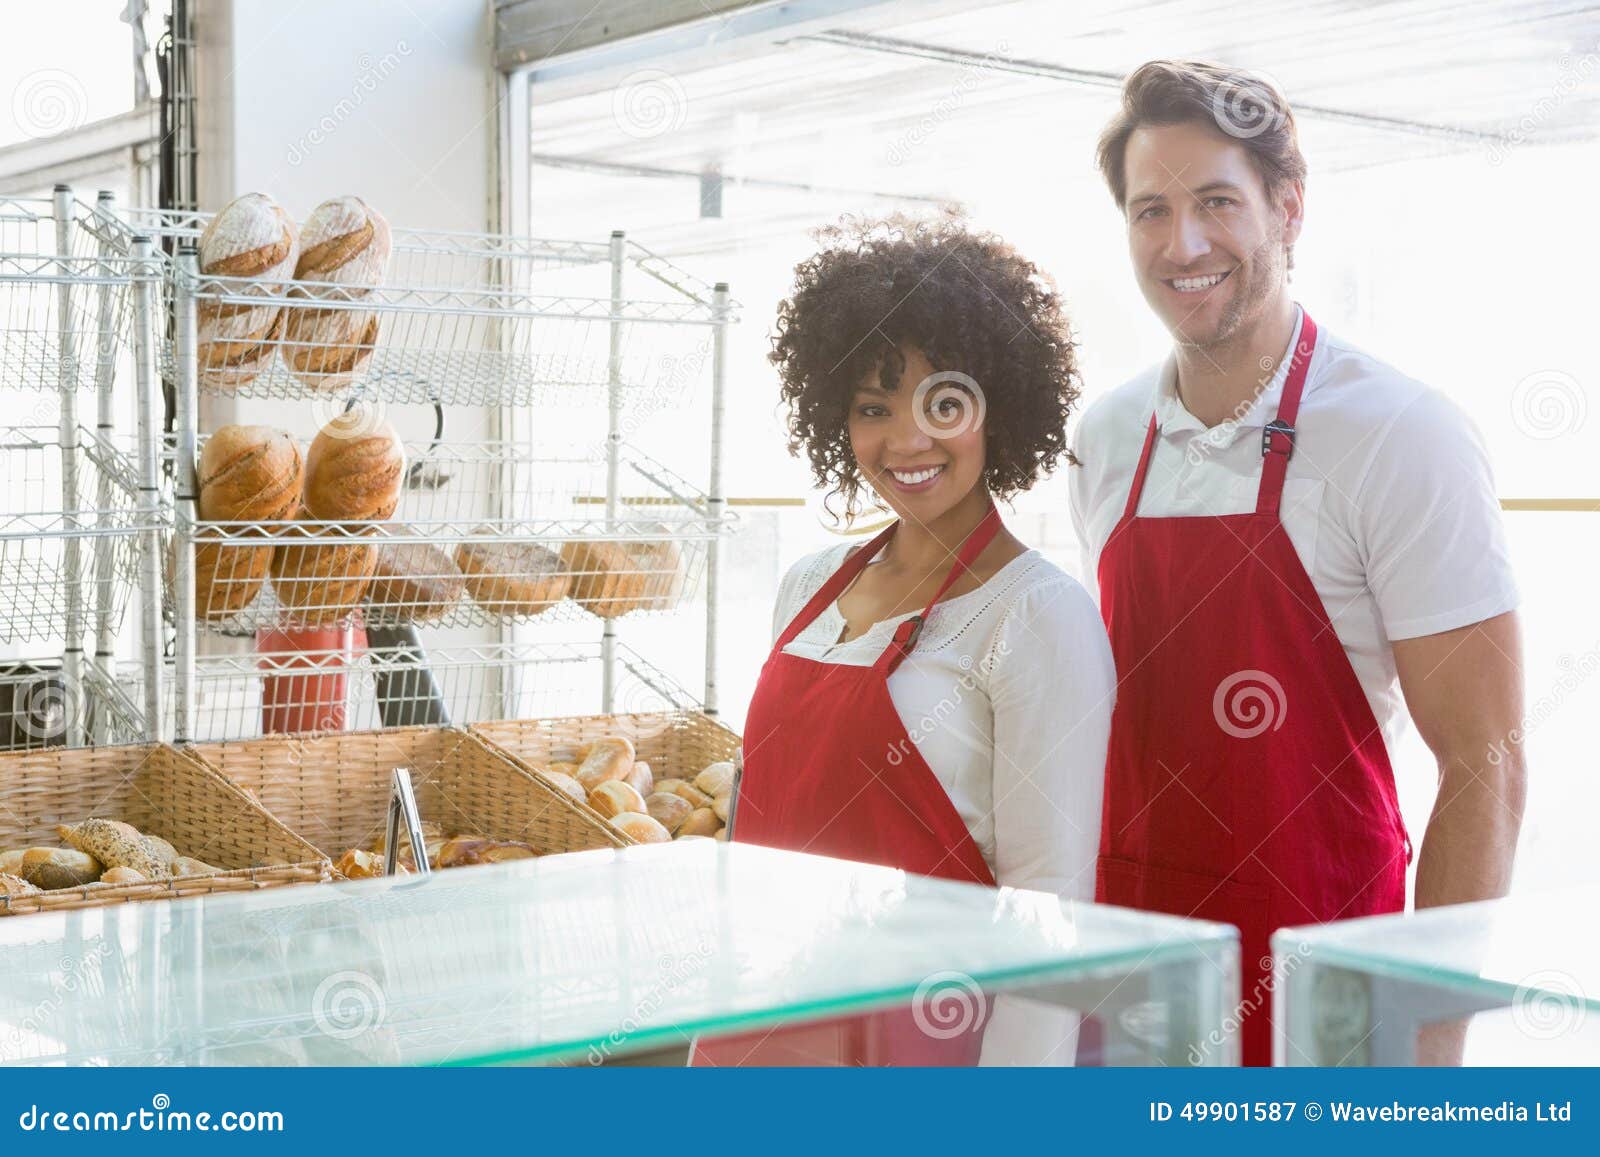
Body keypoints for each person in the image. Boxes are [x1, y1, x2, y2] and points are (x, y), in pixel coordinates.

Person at [1068, 60, 1526, 1066]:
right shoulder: (1104, 437)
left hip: (1327, 982)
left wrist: (1428, 1044)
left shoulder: (1400, 433)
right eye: (1150, 210)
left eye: (1215, 202)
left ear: (1288, 207)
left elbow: (1483, 763)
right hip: (1135, 974)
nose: (1180, 244)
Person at [695, 213, 1115, 1067]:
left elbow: (1049, 913)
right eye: (873, 407)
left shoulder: (1037, 614)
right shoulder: (808, 587)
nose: (907, 440)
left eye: (944, 403)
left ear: (1000, 408)